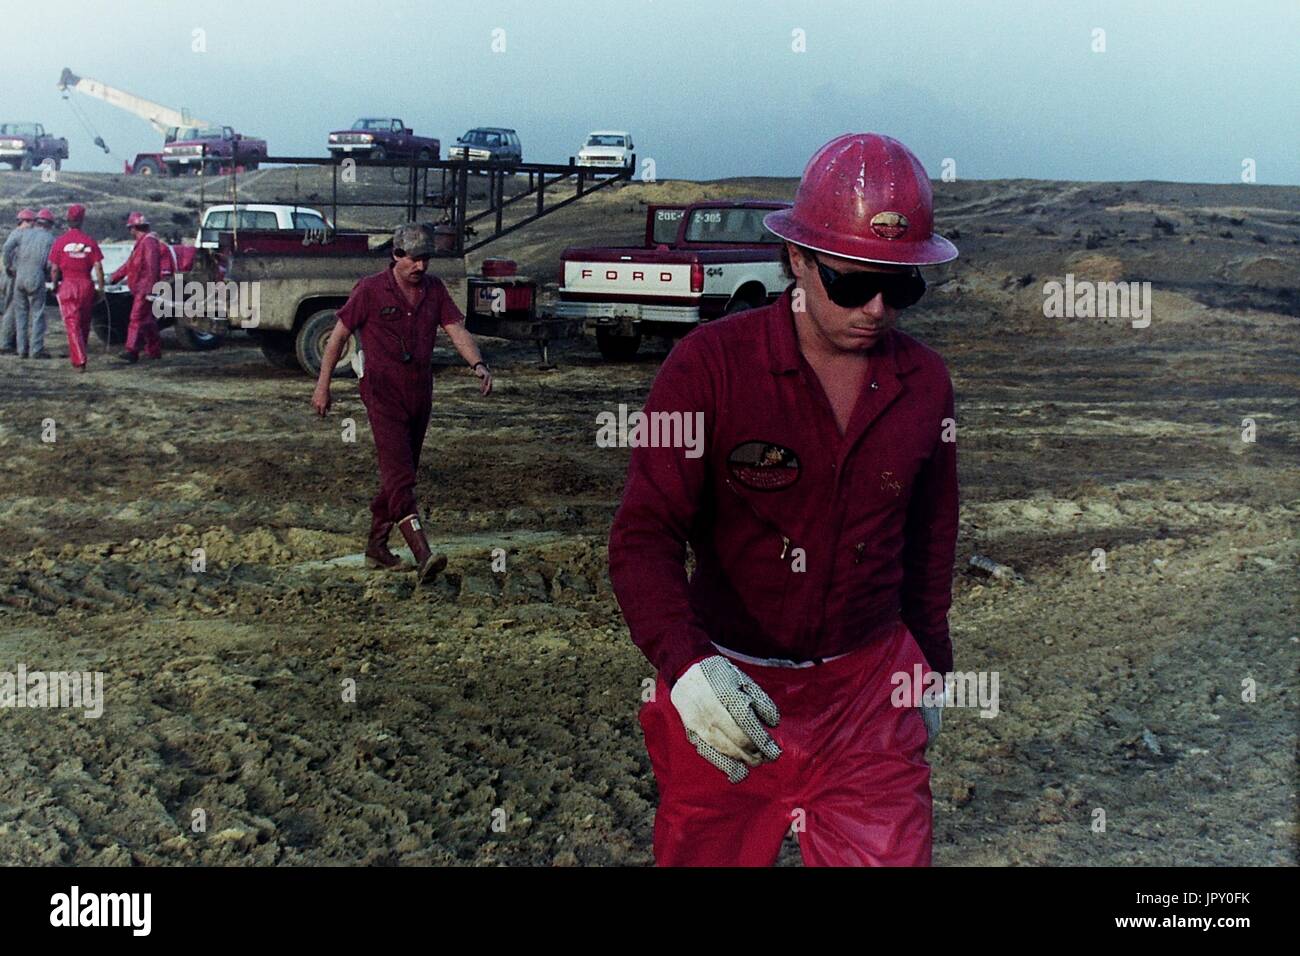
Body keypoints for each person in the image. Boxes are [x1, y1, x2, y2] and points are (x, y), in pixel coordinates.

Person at [608, 133, 960, 867]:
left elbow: (930, 539)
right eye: (851, 282)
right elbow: (644, 536)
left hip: (868, 697)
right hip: (727, 685)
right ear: (797, 260)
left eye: (901, 289)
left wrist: (930, 659)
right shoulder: (707, 369)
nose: (875, 309)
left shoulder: (926, 386)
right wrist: (687, 665)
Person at [311, 223, 494, 581]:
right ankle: (423, 553)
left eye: (426, 259)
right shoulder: (369, 290)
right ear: (395, 255)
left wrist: (478, 363)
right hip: (382, 393)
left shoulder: (435, 289)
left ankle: (376, 548)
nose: (420, 267)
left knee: (400, 472)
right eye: (413, 259)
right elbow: (338, 338)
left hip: (420, 392)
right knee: (401, 477)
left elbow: (456, 328)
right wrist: (323, 386)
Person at [47, 204, 105, 371]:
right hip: (86, 284)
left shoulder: (60, 242)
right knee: (85, 322)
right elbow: (99, 267)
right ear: (81, 220)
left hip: (68, 284)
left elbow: (54, 269)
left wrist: (55, 284)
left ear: (68, 220)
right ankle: (81, 351)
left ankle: (79, 359)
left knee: (72, 323)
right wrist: (101, 289)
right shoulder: (90, 242)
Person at [108, 211, 163, 363]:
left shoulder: (148, 243)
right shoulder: (144, 243)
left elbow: (152, 267)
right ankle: (154, 350)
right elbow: (130, 265)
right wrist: (114, 277)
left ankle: (131, 351)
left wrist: (150, 289)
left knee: (136, 318)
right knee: (148, 321)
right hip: (142, 287)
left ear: (133, 228)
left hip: (144, 288)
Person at [2, 207, 57, 359]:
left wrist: (9, 266)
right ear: (49, 224)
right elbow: (51, 264)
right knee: (38, 314)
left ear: (37, 221)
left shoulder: (23, 234)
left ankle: (21, 350)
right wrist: (51, 279)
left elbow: (6, 248)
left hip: (19, 275)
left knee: (20, 314)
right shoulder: (50, 239)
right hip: (35, 276)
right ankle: (36, 349)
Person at [1, 208, 37, 354]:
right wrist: (9, 267)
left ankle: (13, 341)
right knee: (12, 308)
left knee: (14, 307)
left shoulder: (18, 234)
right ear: (22, 221)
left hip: (14, 274)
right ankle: (7, 342)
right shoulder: (19, 234)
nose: (32, 224)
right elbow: (6, 250)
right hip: (13, 275)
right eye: (29, 221)